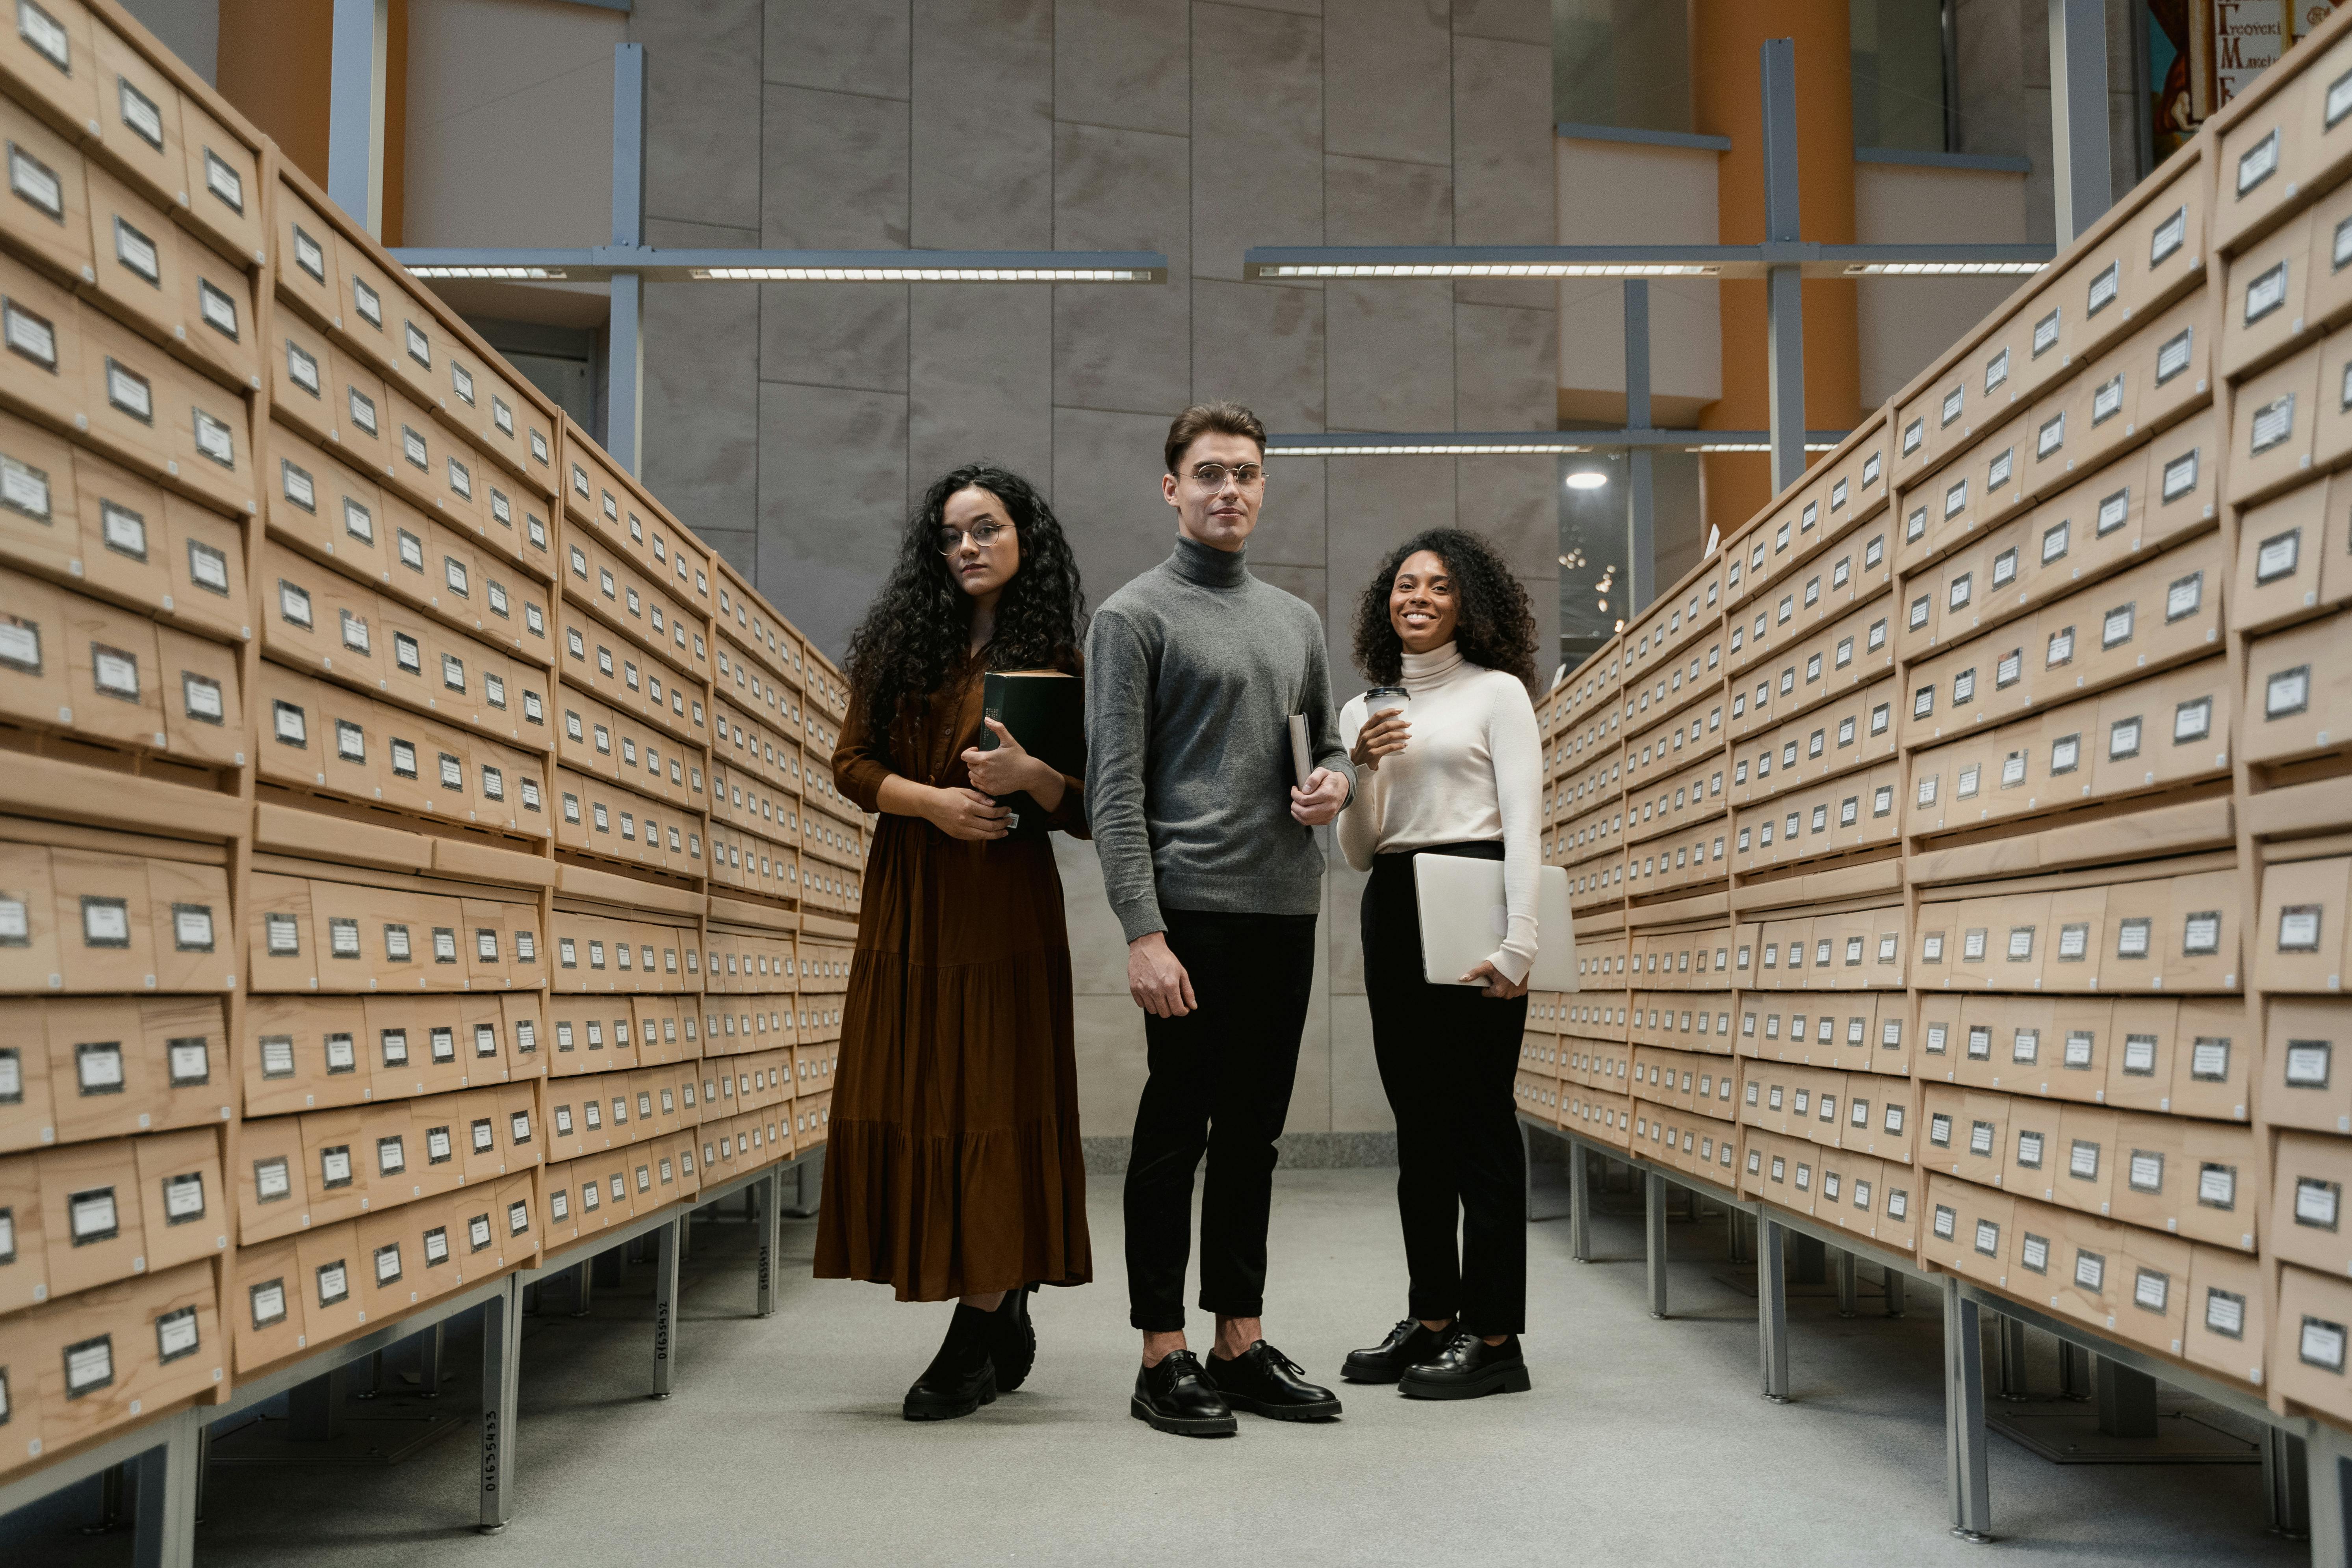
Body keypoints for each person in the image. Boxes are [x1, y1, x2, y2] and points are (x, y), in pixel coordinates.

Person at [1086, 401, 1356, 1438]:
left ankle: (1238, 1339)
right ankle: (1163, 1351)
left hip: (1284, 906)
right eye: (1207, 473)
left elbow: (1327, 741)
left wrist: (1332, 783)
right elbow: (1114, 791)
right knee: (1173, 1132)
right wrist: (1141, 930)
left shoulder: (1294, 619)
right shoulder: (1132, 616)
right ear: (1172, 488)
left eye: (1245, 472)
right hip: (1189, 915)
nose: (1228, 489)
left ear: (1262, 483)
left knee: (1254, 1135)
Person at [817, 463, 1093, 1421]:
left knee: (992, 1093)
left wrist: (1033, 774)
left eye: (988, 527)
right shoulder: (903, 646)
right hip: (913, 891)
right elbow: (851, 764)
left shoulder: (1059, 655)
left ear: (1026, 540)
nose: (969, 545)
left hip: (1005, 904)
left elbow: (1090, 806)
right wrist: (932, 801)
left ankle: (977, 1326)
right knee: (922, 1089)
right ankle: (997, 1293)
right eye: (952, 532)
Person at [1333, 529, 1543, 1400]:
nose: (1417, 596)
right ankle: (1433, 1318)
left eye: (1440, 586)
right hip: (1393, 894)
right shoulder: (1362, 708)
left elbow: (1523, 820)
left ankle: (1496, 1337)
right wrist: (1364, 767)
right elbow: (1356, 848)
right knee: (1419, 1129)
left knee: (1480, 1123)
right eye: (1405, 583)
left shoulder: (1497, 693)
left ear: (1469, 603)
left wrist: (1519, 939)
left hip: (1475, 892)